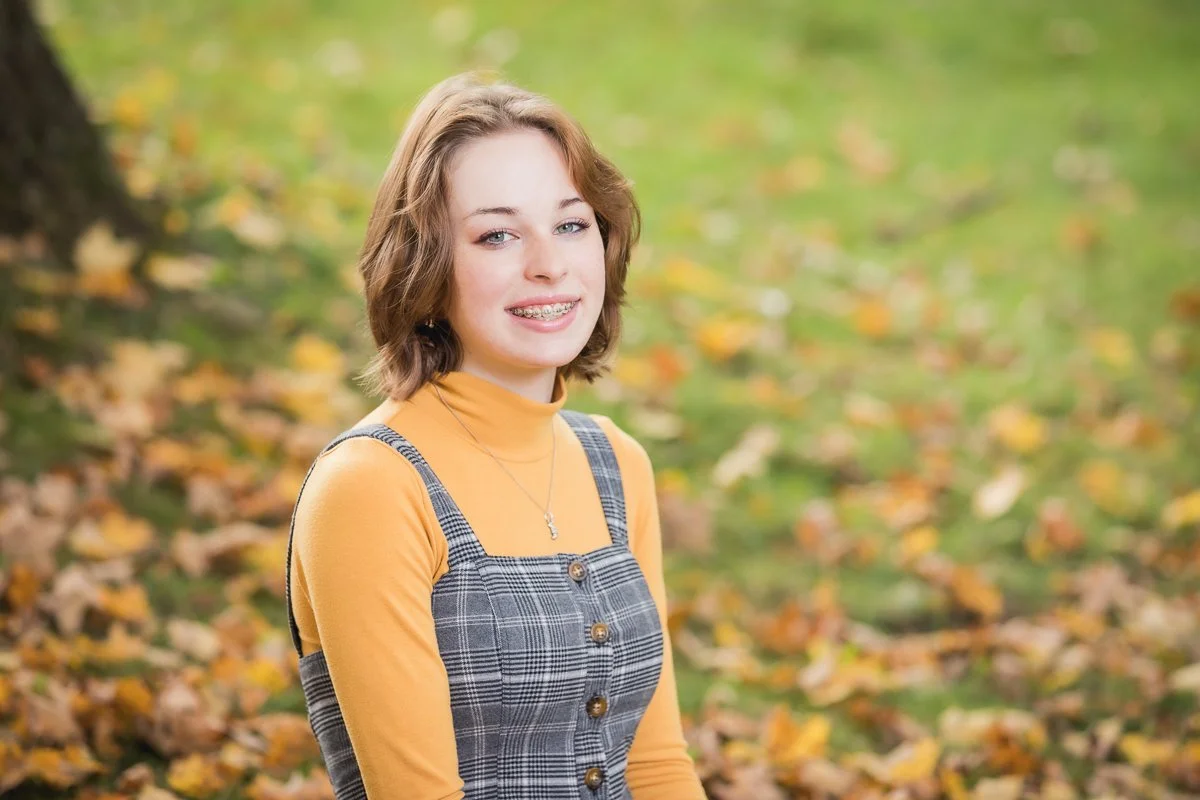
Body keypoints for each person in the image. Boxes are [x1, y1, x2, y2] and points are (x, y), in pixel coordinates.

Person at [285, 72, 706, 799]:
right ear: (427, 265)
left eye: (571, 224)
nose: (548, 263)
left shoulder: (617, 465)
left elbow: (657, 765)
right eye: (498, 234)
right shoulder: (371, 487)